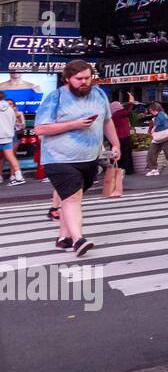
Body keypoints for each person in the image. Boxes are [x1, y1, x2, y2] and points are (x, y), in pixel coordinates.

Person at [34, 59, 118, 256]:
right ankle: (78, 239)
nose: (84, 82)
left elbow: (107, 121)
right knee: (72, 198)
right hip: (59, 158)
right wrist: (74, 124)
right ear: (67, 79)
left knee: (71, 198)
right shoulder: (55, 97)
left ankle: (63, 237)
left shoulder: (98, 94)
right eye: (79, 79)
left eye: (88, 78)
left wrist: (115, 143)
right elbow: (40, 129)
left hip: (90, 158)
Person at [0, 90, 25, 185]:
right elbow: (14, 123)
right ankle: (19, 177)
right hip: (8, 136)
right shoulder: (10, 109)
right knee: (10, 156)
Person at [108, 99, 132, 176]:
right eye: (120, 105)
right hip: (122, 137)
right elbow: (127, 111)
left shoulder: (112, 115)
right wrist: (131, 102)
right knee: (125, 154)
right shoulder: (118, 114)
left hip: (117, 137)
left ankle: (117, 170)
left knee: (119, 155)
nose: (121, 106)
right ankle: (127, 170)